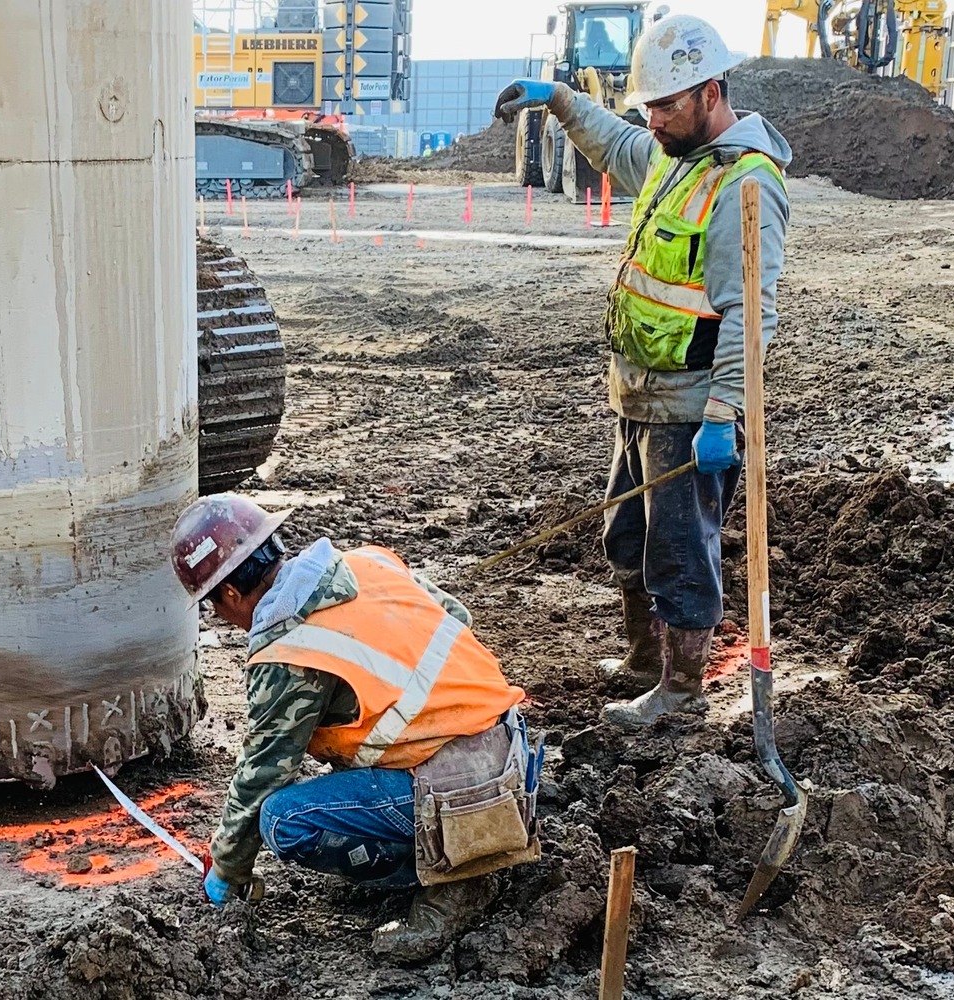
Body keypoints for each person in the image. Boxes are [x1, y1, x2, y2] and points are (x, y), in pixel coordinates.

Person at [491, 14, 791, 731]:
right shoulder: (670, 154)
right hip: (639, 395)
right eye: (648, 106)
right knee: (625, 538)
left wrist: (723, 415)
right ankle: (641, 659)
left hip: (690, 408)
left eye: (665, 106)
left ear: (711, 92)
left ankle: (682, 693)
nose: (651, 120)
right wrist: (561, 99)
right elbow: (615, 142)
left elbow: (750, 314)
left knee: (680, 555)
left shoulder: (743, 187)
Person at [171, 493, 540, 960]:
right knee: (343, 780)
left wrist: (227, 871)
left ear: (229, 594)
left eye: (213, 607)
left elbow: (263, 773)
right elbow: (456, 618)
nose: (220, 619)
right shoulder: (367, 563)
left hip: (464, 796)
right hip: (512, 754)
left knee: (284, 820)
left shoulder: (287, 651)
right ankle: (454, 845)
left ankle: (460, 876)